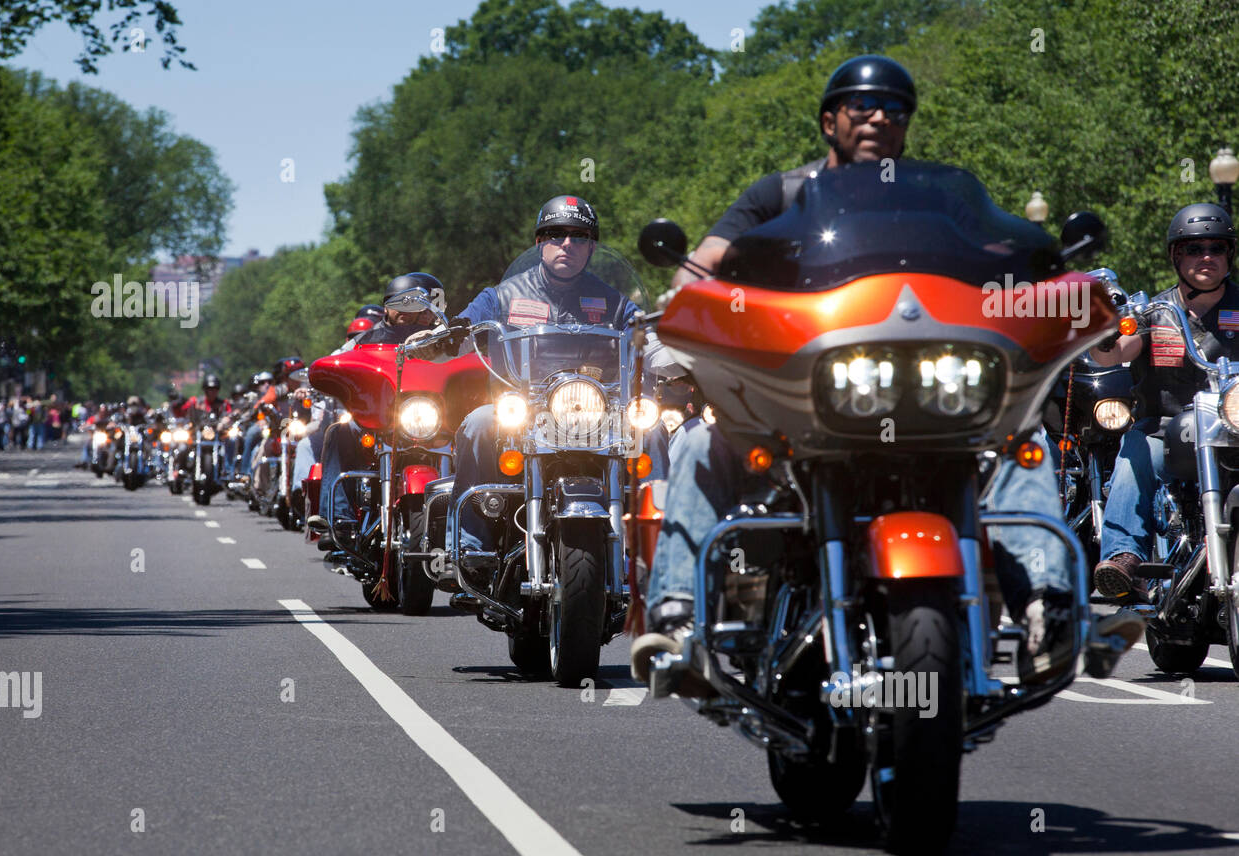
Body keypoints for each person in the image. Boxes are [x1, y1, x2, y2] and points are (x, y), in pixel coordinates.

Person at [631, 54, 1140, 689]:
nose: (878, 118)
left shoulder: (941, 202)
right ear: (828, 120)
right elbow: (703, 263)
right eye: (861, 106)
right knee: (705, 439)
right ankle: (678, 620)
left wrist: (1055, 278)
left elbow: (1007, 254)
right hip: (808, 395)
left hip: (931, 394)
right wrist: (692, 287)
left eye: (894, 109)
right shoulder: (780, 196)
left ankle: (1051, 611)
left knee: (1021, 441)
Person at [405, 196, 675, 584]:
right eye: (555, 234)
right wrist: (439, 340)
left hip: (599, 414)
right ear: (538, 243)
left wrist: (690, 353)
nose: (567, 243)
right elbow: (463, 330)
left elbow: (649, 344)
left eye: (579, 236)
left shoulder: (616, 303)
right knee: (478, 422)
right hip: (525, 412)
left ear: (592, 246)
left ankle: (660, 547)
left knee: (653, 428)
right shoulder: (500, 296)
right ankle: (469, 544)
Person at [1089, 202, 1239, 600]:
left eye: (1216, 248)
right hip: (1165, 428)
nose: (1206, 257)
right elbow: (1115, 353)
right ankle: (1123, 558)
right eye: (1194, 248)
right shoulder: (1155, 311)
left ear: (1229, 255)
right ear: (1176, 255)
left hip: (1232, 429)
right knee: (1134, 455)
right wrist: (1103, 333)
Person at [309, 279, 448, 549]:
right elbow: (334, 359)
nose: (411, 312)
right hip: (380, 419)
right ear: (387, 308)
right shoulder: (366, 339)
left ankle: (475, 527)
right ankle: (337, 517)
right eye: (401, 304)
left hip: (435, 421)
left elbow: (479, 359)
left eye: (421, 306)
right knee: (339, 430)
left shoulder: (448, 337)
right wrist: (327, 373)